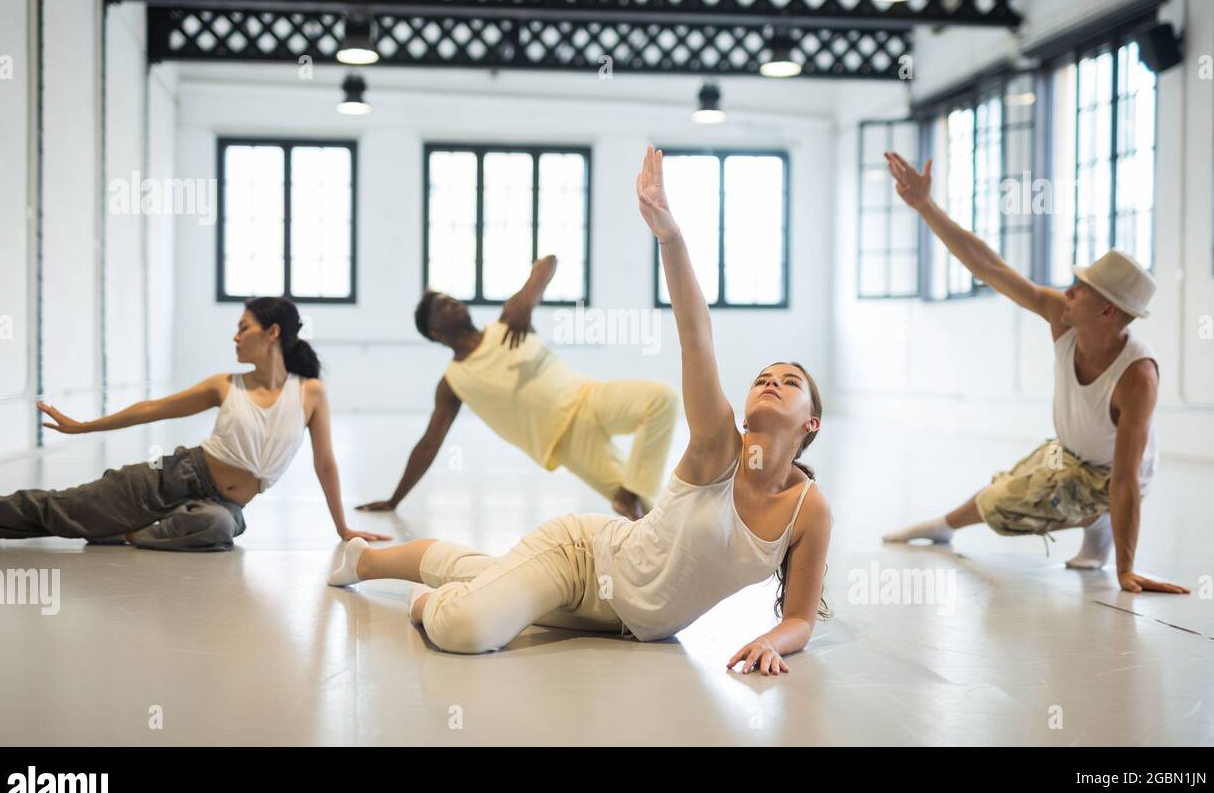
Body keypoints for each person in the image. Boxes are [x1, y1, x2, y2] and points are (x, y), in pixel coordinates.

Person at [328, 146, 834, 674]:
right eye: (762, 378)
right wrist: (670, 238)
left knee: (483, 571)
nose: (772, 382)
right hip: (583, 559)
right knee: (467, 627)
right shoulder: (718, 448)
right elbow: (696, 338)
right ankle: (420, 599)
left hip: (626, 619)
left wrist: (775, 641)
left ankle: (361, 559)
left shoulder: (810, 510)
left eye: (790, 380)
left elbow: (800, 618)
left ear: (811, 421)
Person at [879, 151, 1188, 595]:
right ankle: (942, 526)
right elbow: (990, 267)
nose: (1067, 291)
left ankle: (1098, 522)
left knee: (1006, 507)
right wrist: (926, 206)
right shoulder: (1062, 316)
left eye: (1080, 289)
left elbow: (1124, 479)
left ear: (1106, 310)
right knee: (1007, 485)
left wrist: (1125, 570)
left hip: (1110, 476)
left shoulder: (1137, 376)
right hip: (1070, 452)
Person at [0, 297, 387, 551]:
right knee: (61, 508)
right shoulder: (225, 384)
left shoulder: (310, 392)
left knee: (222, 527)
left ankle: (126, 531)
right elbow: (152, 408)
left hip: (223, 505)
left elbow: (326, 464)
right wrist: (84, 427)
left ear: (272, 332)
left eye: (243, 328)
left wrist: (341, 528)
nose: (236, 337)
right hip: (173, 478)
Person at [356, 255, 678, 520]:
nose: (454, 303)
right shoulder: (453, 383)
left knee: (663, 399)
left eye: (452, 299)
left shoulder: (509, 318)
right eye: (443, 305)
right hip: (565, 441)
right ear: (435, 331)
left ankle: (629, 493)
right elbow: (429, 443)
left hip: (590, 396)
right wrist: (394, 499)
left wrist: (527, 298)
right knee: (648, 512)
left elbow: (548, 262)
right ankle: (638, 506)